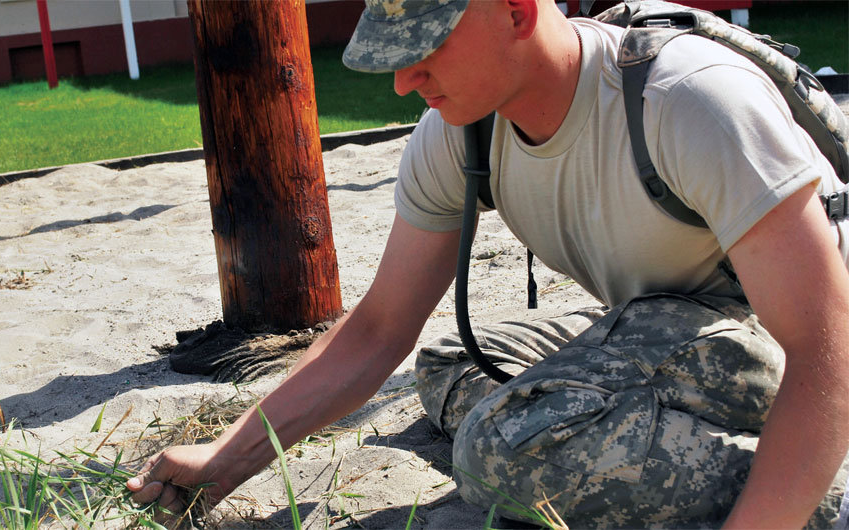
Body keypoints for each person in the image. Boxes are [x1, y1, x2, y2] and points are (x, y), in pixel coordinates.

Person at [128, 0, 849, 526]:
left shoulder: (686, 101)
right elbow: (380, 329)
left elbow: (827, 346)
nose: (403, 80)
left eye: (426, 44)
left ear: (515, 10)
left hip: (783, 334)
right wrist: (224, 460)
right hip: (655, 324)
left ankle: (821, 490)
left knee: (499, 449)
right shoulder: (459, 133)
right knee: (452, 367)